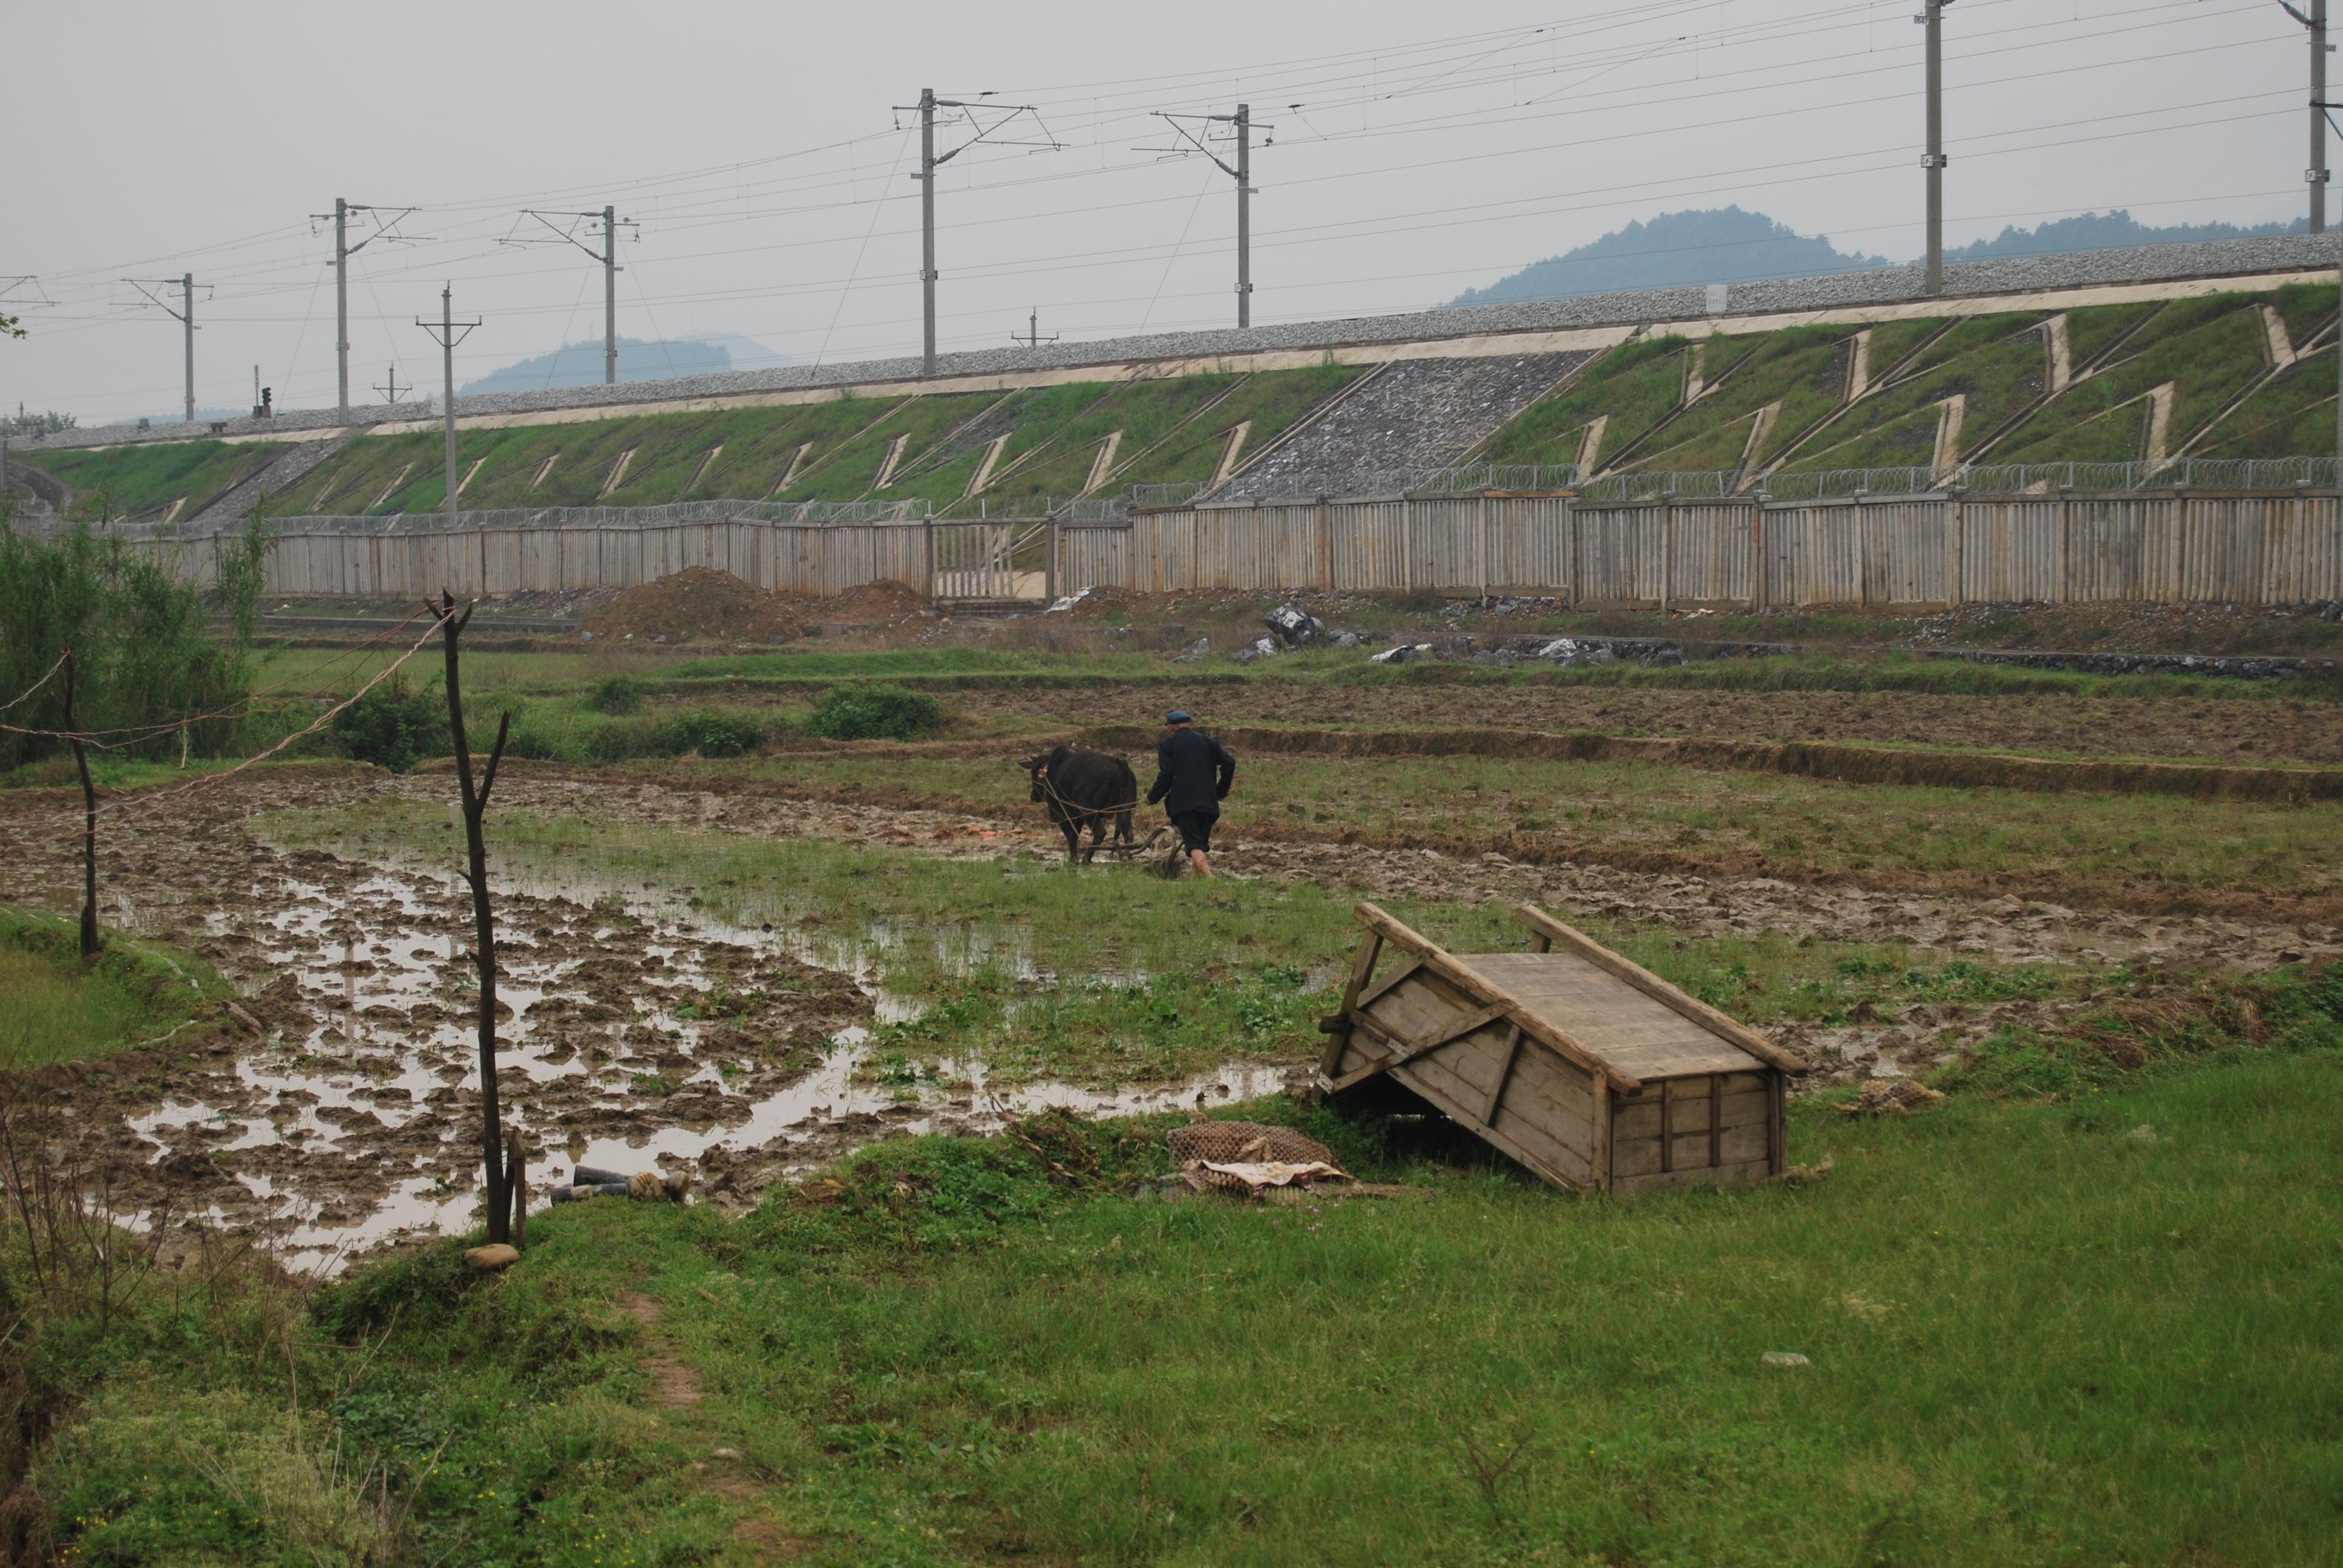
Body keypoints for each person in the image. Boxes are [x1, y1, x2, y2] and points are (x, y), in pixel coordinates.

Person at [1145, 710, 1236, 878]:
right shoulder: (1210, 743)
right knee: (1200, 843)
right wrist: (1220, 791)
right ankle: (1194, 879)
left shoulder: (1168, 745)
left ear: (1172, 728)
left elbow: (1167, 773)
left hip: (1185, 804)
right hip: (1209, 803)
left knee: (1194, 845)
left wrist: (1152, 798)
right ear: (1190, 725)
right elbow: (1230, 763)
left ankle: (1211, 879)